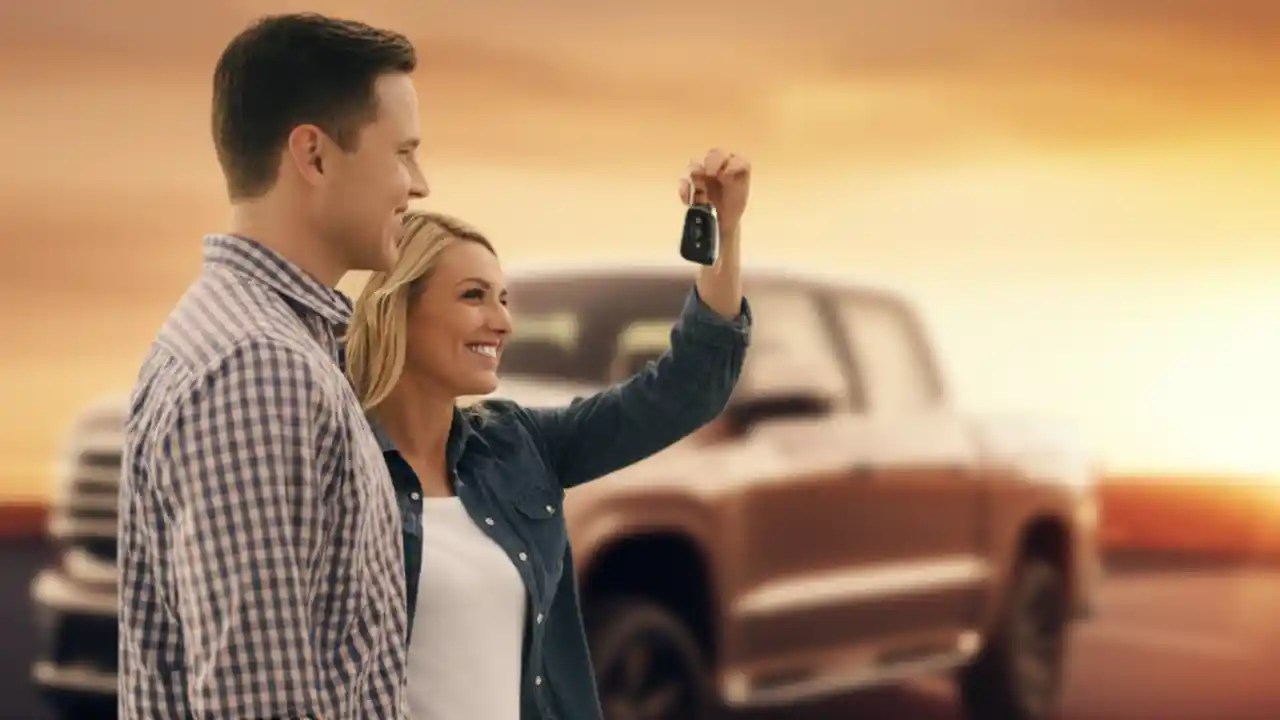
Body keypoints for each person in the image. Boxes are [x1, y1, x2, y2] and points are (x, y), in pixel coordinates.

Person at [342, 148, 753, 720]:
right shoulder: (333, 463)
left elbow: (685, 391)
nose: (504, 320)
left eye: (505, 299)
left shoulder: (519, 445)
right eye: (473, 296)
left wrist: (724, 235)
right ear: (400, 310)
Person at [118, 12, 427, 719]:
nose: (419, 183)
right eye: (403, 152)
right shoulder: (257, 368)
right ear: (313, 156)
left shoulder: (266, 342)